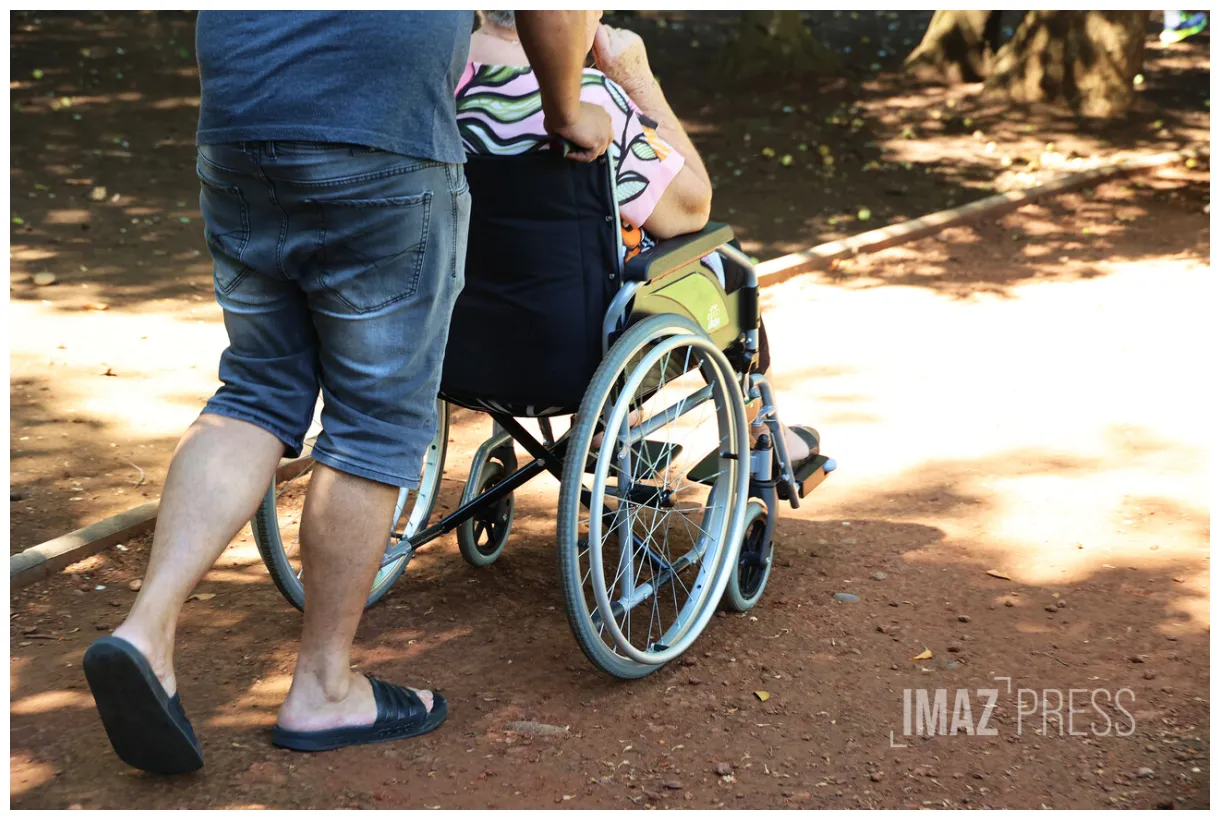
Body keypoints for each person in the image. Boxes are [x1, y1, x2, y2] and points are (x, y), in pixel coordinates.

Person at [82, 11, 612, 775]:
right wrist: (566, 111)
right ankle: (324, 689)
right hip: (381, 132)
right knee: (374, 423)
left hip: (239, 118)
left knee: (255, 389)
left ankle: (145, 630)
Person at [459, 10, 820, 463]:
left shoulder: (439, 84)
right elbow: (692, 208)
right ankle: (761, 429)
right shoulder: (588, 102)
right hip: (576, 361)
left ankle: (611, 426)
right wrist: (638, 81)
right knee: (724, 256)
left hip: (464, 351)